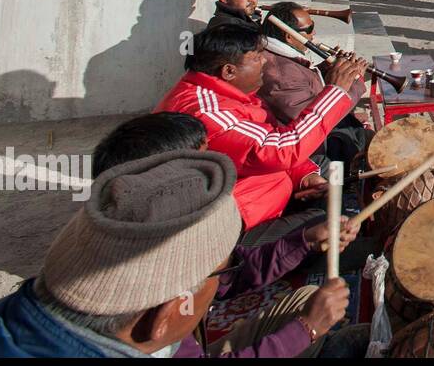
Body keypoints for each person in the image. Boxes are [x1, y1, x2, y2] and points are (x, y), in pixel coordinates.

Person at [0, 150, 366, 358]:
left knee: (305, 298)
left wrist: (303, 241)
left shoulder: (75, 294)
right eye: (219, 270)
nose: (227, 273)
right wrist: (308, 329)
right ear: (165, 318)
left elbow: (229, 278)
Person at [156, 24, 365, 229]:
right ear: (229, 71)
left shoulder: (229, 93)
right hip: (228, 221)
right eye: (256, 57)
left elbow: (271, 137)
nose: (265, 60)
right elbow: (279, 149)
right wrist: (335, 91)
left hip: (262, 194)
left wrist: (304, 176)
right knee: (332, 228)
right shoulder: (206, 112)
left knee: (330, 177)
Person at [257, 3, 369, 164]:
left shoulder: (280, 56)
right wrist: (354, 81)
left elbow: (304, 82)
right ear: (289, 36)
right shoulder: (281, 74)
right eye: (309, 30)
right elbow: (321, 115)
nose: (313, 33)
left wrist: (329, 69)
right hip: (314, 152)